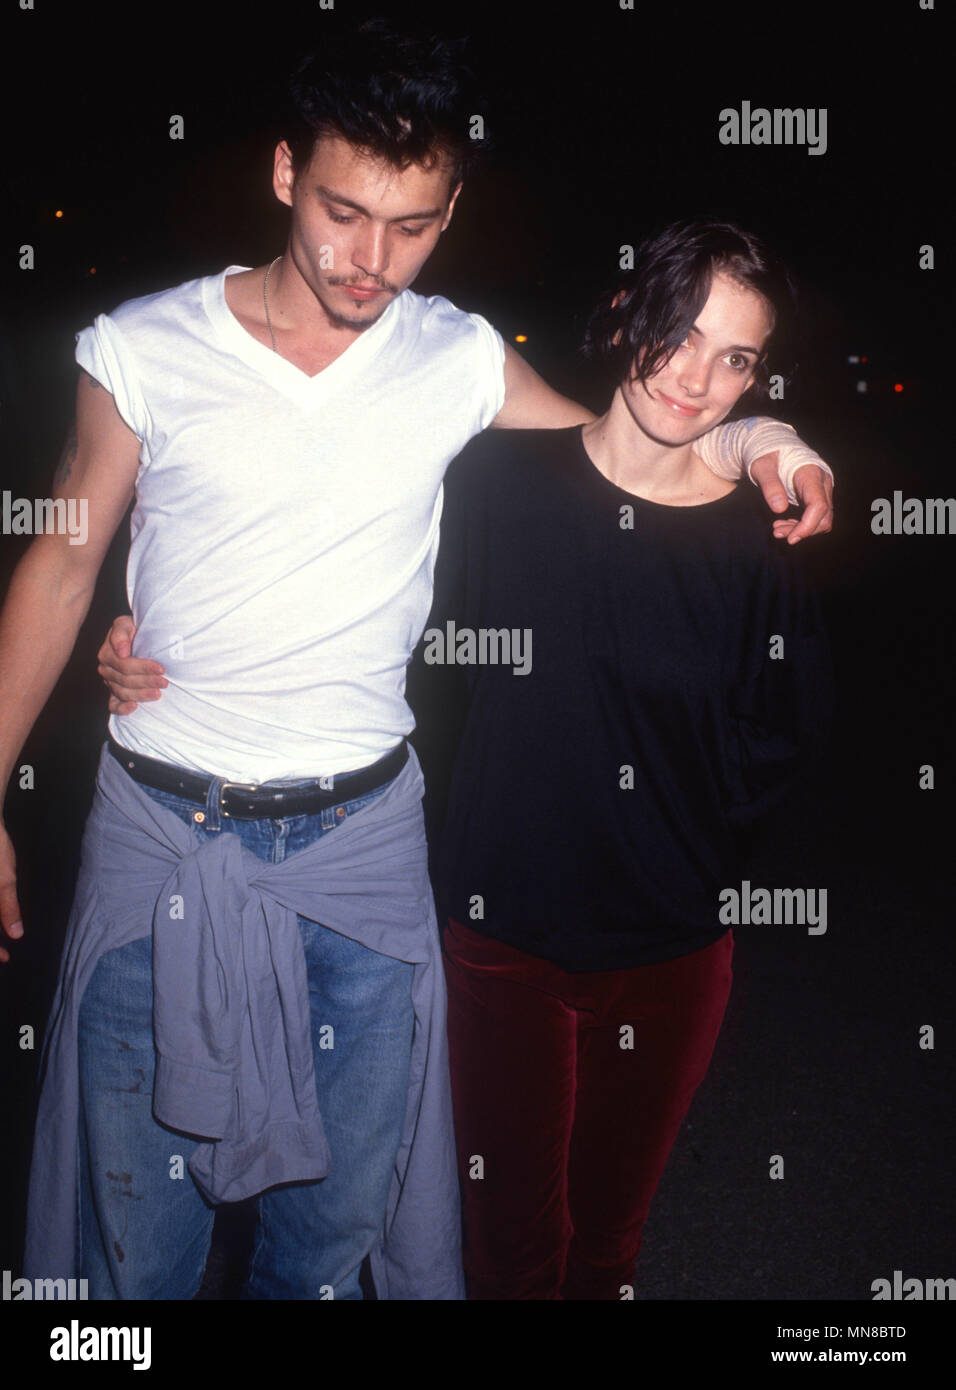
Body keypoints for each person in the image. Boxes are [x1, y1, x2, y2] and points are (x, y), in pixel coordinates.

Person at [0, 20, 832, 1302]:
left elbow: (623, 447)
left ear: (448, 214)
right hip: (162, 831)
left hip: (367, 850)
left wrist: (763, 425)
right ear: (284, 174)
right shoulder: (143, 344)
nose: (369, 260)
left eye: (413, 225)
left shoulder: (450, 354)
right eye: (342, 211)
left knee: (335, 1235)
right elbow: (60, 559)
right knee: (138, 1247)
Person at [424, 218, 834, 1299]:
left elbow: (777, 736)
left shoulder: (759, 539)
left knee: (609, 1243)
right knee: (508, 1246)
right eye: (680, 332)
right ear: (622, 316)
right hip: (501, 939)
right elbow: (401, 644)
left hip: (667, 952)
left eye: (736, 358)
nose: (698, 379)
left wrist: (686, 856)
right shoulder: (491, 486)